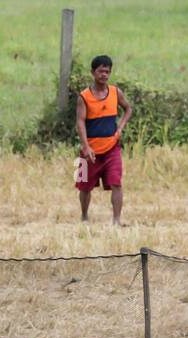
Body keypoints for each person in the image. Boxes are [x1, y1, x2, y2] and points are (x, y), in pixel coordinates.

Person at [75, 55, 132, 226]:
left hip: (112, 148)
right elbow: (80, 122)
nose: (104, 75)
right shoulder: (83, 97)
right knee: (83, 185)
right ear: (93, 72)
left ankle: (116, 220)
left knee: (116, 183)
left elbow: (128, 109)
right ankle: (84, 216)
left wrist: (120, 127)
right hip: (89, 150)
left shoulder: (115, 92)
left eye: (107, 71)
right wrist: (85, 147)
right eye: (101, 71)